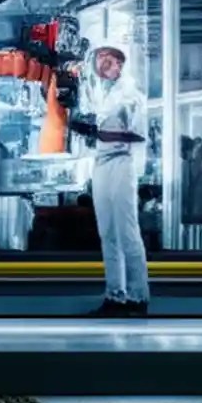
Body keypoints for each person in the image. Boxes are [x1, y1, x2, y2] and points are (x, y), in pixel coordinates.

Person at [72, 43, 150, 317]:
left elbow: (137, 135)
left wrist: (98, 133)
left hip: (121, 163)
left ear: (120, 63)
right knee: (107, 233)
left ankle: (138, 297)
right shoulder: (102, 95)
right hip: (101, 163)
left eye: (107, 60)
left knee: (127, 231)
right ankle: (115, 295)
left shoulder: (131, 96)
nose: (101, 64)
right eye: (99, 60)